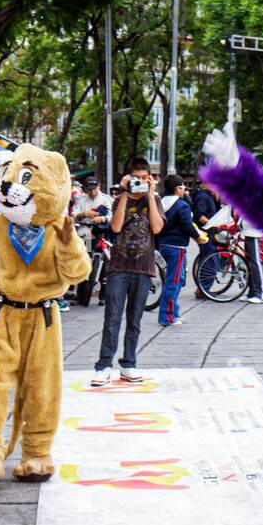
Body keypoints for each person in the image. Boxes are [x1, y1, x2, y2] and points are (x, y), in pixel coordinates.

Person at [92, 159, 165, 386]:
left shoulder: (154, 200)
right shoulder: (118, 200)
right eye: (137, 178)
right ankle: (104, 366)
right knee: (112, 318)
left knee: (135, 319)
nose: (141, 182)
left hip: (143, 268)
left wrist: (151, 195)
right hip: (119, 267)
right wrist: (124, 194)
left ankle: (129, 364)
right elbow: (114, 227)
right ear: (128, 179)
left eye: (145, 178)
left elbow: (156, 228)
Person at [156, 174, 198, 326]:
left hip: (163, 244)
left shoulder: (161, 203)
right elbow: (187, 225)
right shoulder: (181, 205)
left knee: (176, 279)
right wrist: (198, 236)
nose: (184, 190)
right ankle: (166, 316)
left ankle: (174, 312)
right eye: (183, 187)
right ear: (178, 189)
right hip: (177, 246)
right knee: (173, 281)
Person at [191, 180, 221, 298]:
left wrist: (216, 198)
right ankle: (203, 290)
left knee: (208, 260)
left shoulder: (208, 196)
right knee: (210, 262)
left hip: (208, 235)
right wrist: (212, 224)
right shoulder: (203, 196)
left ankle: (202, 289)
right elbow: (199, 215)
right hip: (205, 235)